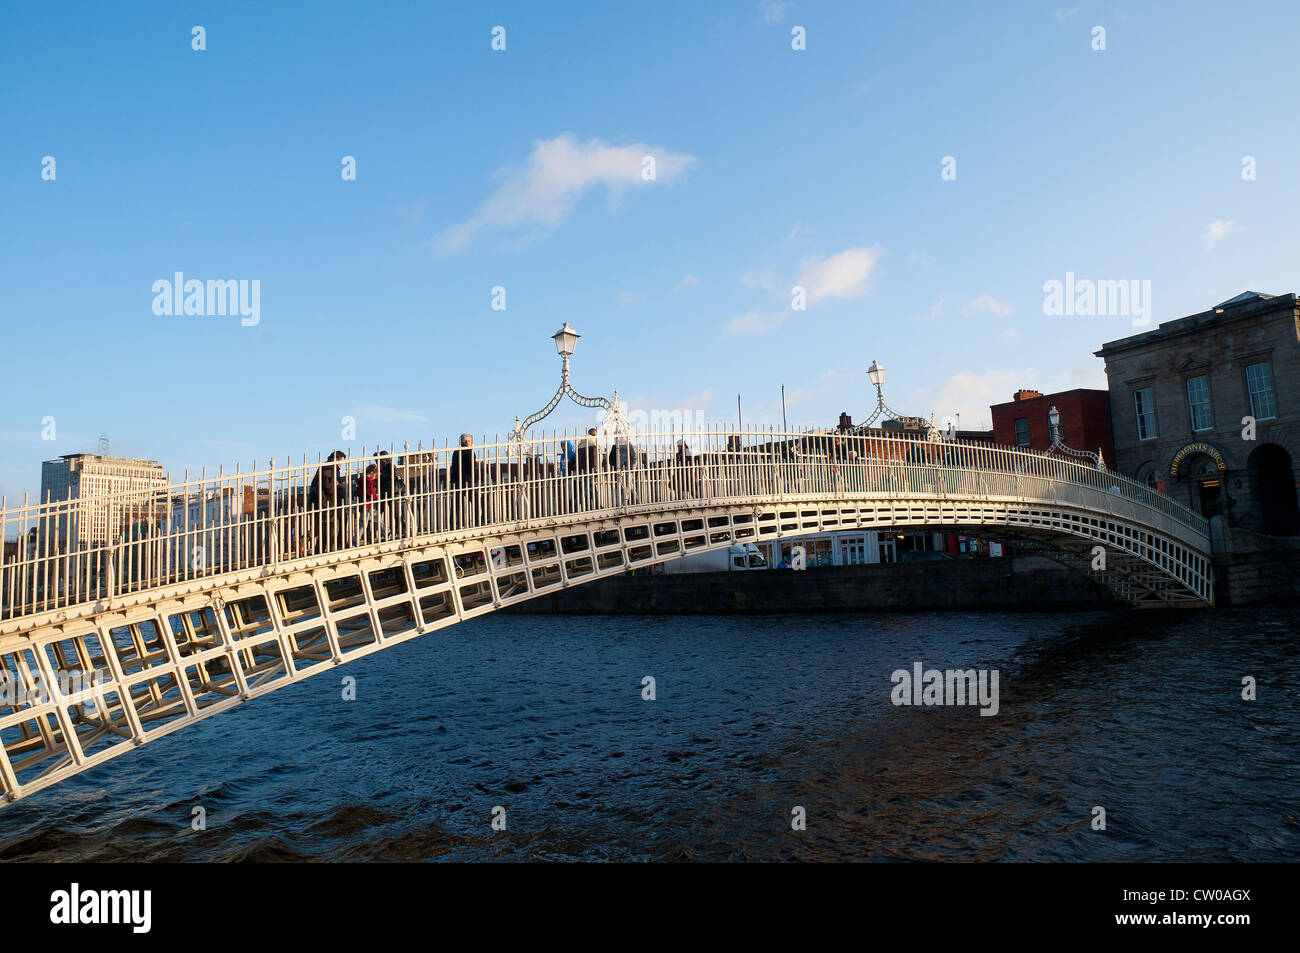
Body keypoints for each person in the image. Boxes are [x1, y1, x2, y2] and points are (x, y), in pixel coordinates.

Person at [307, 450, 349, 553]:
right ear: (336, 460)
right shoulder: (329, 468)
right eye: (341, 461)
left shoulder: (329, 467)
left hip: (325, 501)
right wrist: (339, 485)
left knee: (327, 526)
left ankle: (325, 547)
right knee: (330, 526)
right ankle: (324, 549)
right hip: (325, 502)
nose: (341, 464)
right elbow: (329, 487)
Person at [449, 433, 479, 528]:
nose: (470, 443)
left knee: (456, 505)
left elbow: (453, 468)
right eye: (469, 441)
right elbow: (471, 468)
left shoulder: (456, 452)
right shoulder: (469, 452)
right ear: (467, 442)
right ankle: (478, 521)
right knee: (476, 501)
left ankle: (454, 524)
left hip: (456, 482)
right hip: (468, 481)